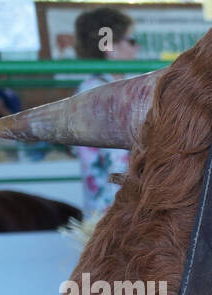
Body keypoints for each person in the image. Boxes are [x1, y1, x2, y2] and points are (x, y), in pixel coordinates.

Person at [72, 7, 138, 215]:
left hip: (113, 208)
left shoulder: (116, 87)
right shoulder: (100, 92)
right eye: (132, 40)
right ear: (109, 46)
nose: (137, 48)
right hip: (117, 211)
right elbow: (117, 161)